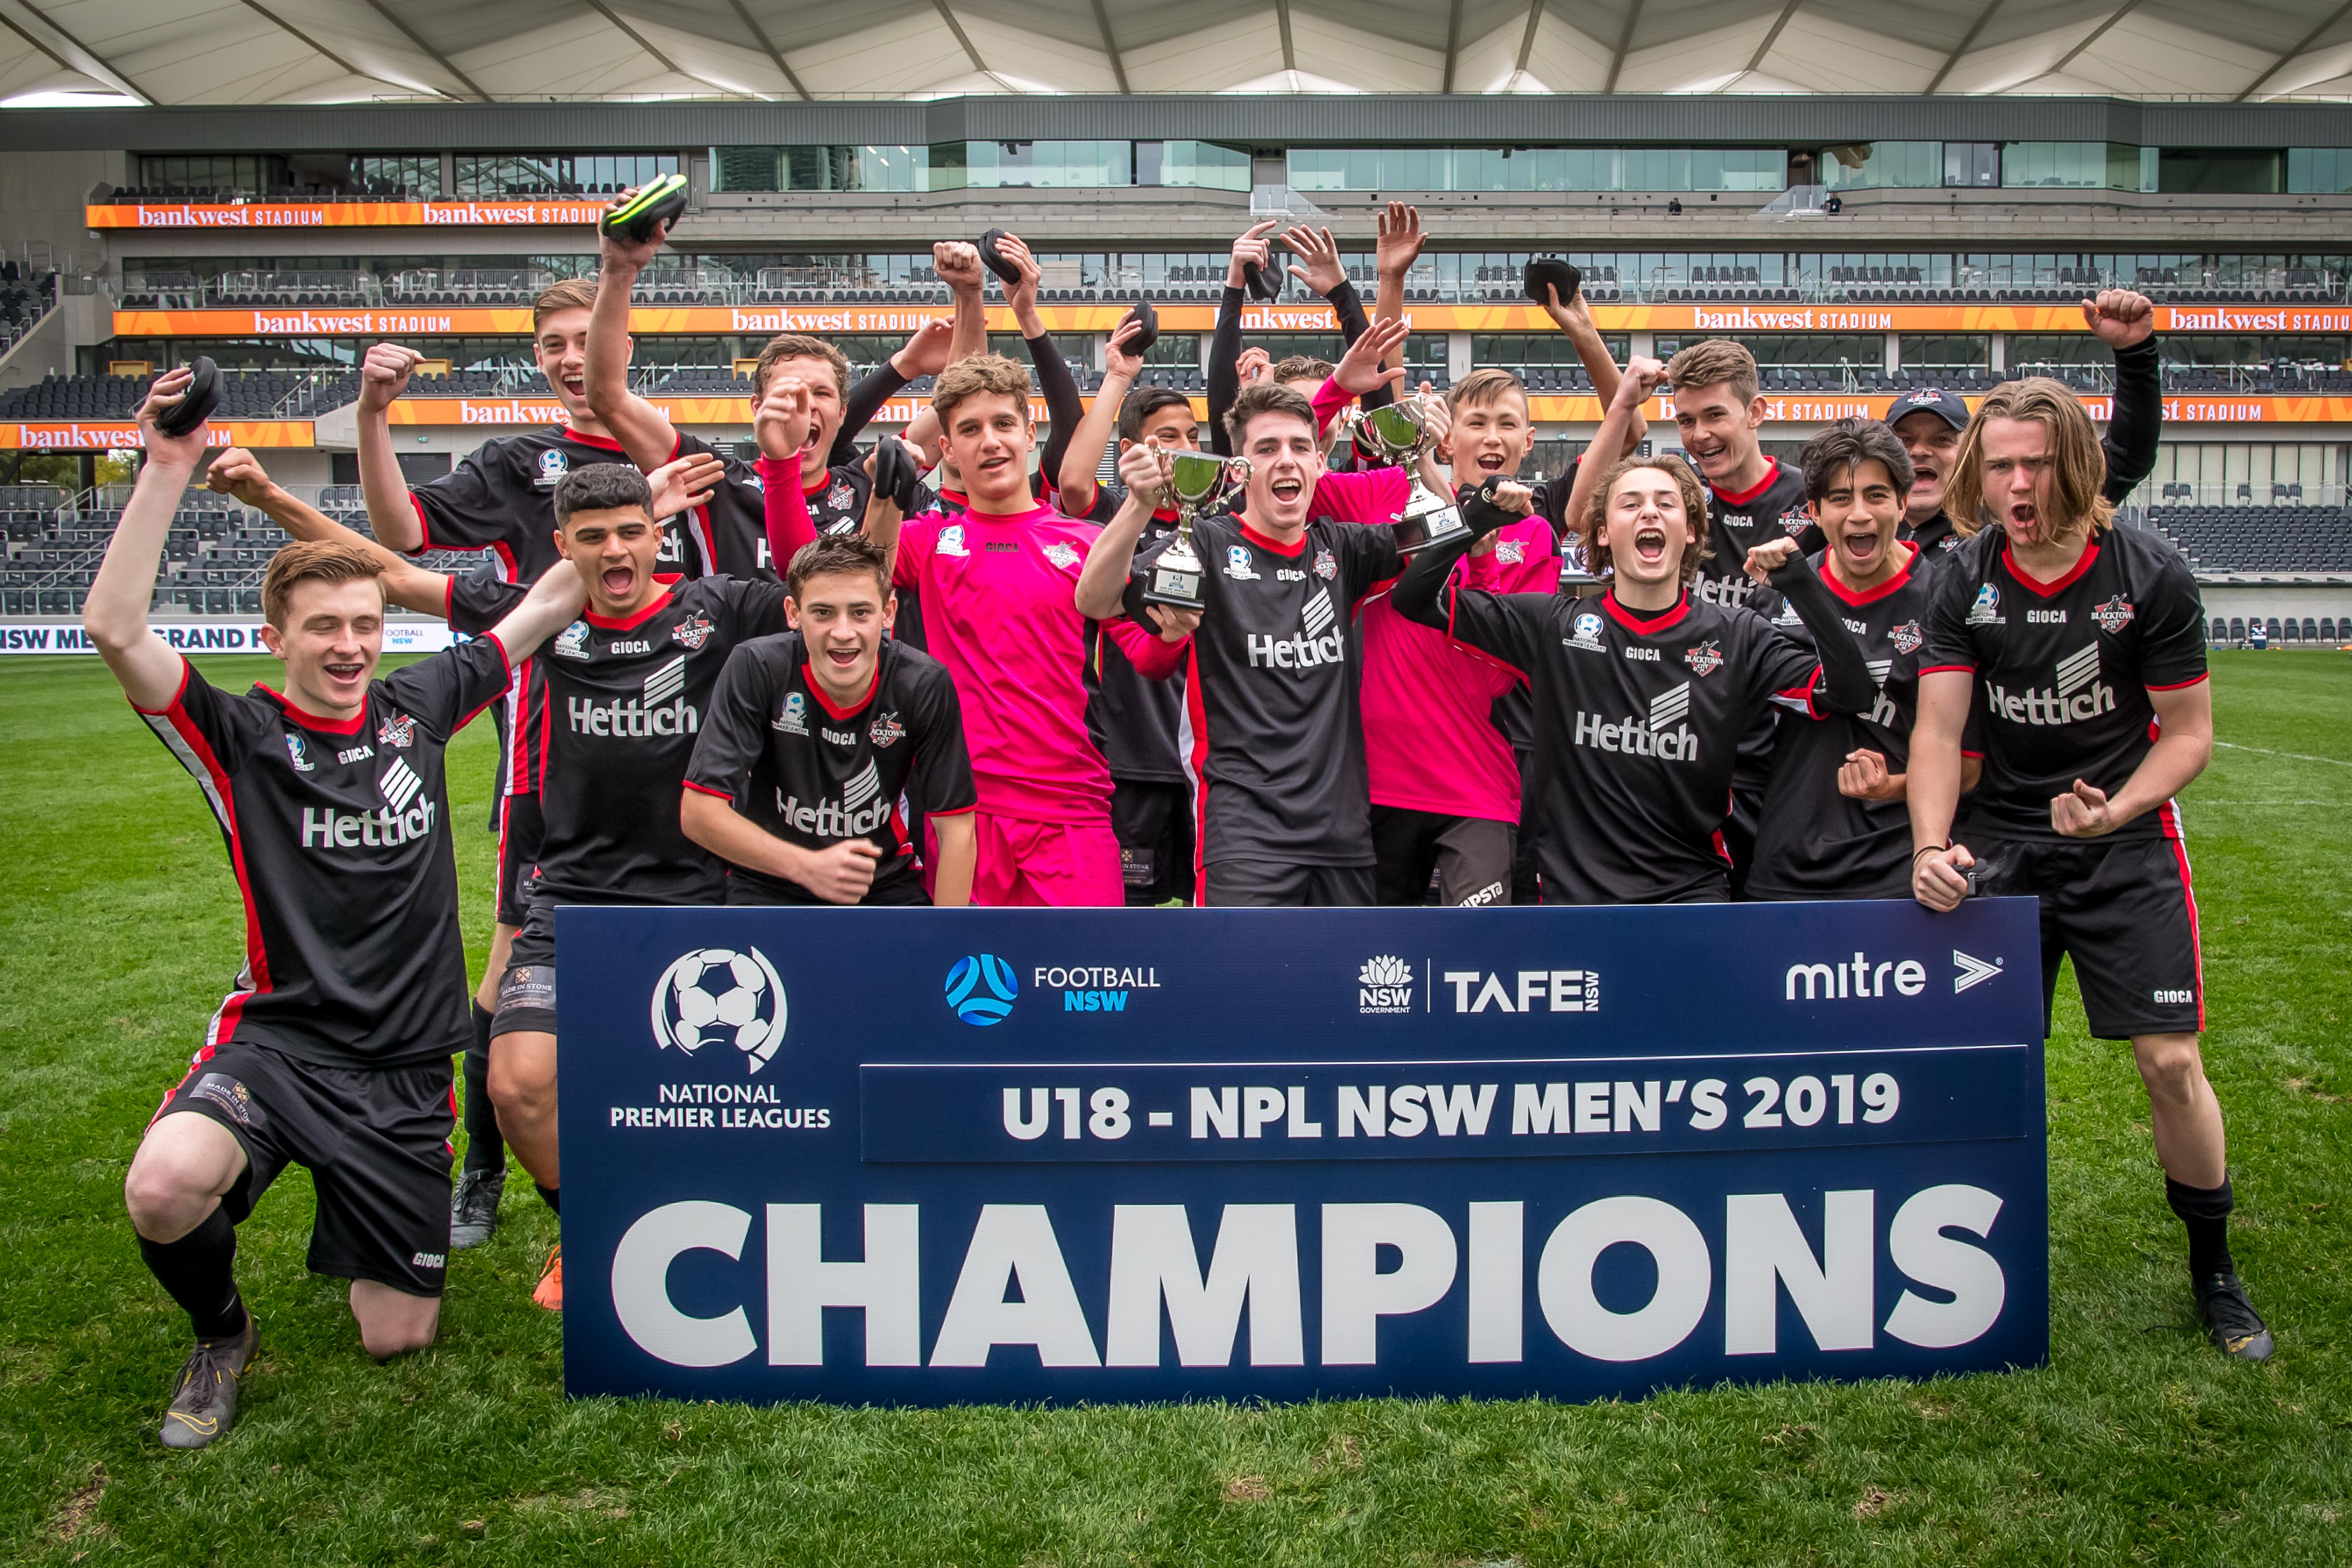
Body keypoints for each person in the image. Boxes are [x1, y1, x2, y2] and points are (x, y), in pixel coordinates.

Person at [88, 372, 582, 1449]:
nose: (351, 644)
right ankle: (221, 1331)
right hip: (284, 1045)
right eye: (324, 628)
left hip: (405, 1072)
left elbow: (543, 608)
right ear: (278, 636)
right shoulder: (239, 740)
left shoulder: (420, 706)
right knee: (166, 1187)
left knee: (395, 1337)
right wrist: (167, 467)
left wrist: (639, 532)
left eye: (364, 623)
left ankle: (352, 1202)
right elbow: (115, 627)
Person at [1908, 376, 2272, 1362]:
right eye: (2001, 465)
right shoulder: (1961, 574)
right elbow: (1939, 730)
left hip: (2123, 839)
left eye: (2035, 464)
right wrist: (1932, 846)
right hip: (2008, 848)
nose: (2017, 486)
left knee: (2169, 1060)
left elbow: (2190, 735)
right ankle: (1951, 1254)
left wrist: (2118, 805)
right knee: (1987, 1064)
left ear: (2075, 467)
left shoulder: (2149, 572)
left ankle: (2216, 1270)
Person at [350, 281, 667, 1250]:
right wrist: (372, 413)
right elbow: (401, 534)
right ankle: (485, 1161)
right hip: (548, 755)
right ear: (538, 359)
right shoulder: (518, 463)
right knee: (507, 967)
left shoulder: (674, 454)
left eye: (587, 341)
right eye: (554, 347)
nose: (573, 359)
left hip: (681, 746)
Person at [1390, 357, 1877, 904]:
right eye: (1631, 503)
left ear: (1692, 531)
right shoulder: (1553, 625)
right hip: (1574, 901)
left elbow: (1854, 692)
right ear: (1602, 530)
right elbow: (1414, 600)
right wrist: (1474, 519)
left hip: (1690, 898)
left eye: (1666, 503)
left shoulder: (1740, 636)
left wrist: (1804, 588)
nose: (1650, 514)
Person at [1075, 353, 1437, 907]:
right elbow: (1094, 598)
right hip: (1246, 835)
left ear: (1321, 462)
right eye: (1266, 449)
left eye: (1298, 448)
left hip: (1343, 836)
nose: (1285, 461)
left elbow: (1448, 537)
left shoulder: (1344, 548)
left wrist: (1428, 453)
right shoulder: (1205, 544)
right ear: (1239, 470)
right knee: (1242, 992)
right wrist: (1139, 507)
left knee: (1341, 994)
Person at [851, 353, 1192, 906]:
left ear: (1030, 433)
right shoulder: (932, 539)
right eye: (970, 429)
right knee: (970, 987)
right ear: (948, 451)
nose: (990, 442)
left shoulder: (1085, 544)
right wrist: (885, 491)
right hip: (963, 812)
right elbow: (869, 578)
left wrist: (1175, 632)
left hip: (1070, 808)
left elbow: (1150, 658)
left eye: (1004, 424)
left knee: (1087, 984)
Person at [587, 198, 964, 578]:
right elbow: (608, 398)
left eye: (821, 393)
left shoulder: (869, 482)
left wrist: (969, 297)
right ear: (757, 407)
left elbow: (959, 400)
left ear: (843, 412)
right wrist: (619, 271)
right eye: (789, 392)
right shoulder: (718, 482)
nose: (804, 406)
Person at [1743, 419, 1982, 901]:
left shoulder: (1945, 601)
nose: (1859, 514)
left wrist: (1889, 786)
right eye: (1839, 498)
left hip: (1897, 870)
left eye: (1876, 495)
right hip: (1785, 867)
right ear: (1814, 509)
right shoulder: (1776, 598)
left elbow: (1970, 767)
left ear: (1901, 501)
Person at [682, 532, 979, 906]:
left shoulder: (922, 682)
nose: (843, 632)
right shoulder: (756, 667)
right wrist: (806, 866)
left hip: (882, 885)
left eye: (860, 612)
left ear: (888, 613)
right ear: (793, 613)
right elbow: (698, 813)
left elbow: (956, 829)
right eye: (823, 612)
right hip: (770, 884)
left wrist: (944, 945)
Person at [1357, 366, 1561, 906]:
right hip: (1381, 778)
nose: (1492, 436)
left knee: (1481, 955)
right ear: (1448, 436)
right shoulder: (1394, 498)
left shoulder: (1534, 532)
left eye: (1507, 423)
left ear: (1527, 441)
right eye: (1477, 422)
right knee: (1377, 963)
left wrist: (1482, 557)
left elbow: (1499, 673)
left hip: (1476, 783)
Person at [1663, 337, 1826, 892]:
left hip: (1789, 757)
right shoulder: (1676, 505)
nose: (1699, 436)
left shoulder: (1815, 502)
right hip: (1691, 749)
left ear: (1756, 412)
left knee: (1774, 921)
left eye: (1715, 415)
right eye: (1686, 420)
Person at [1051, 361, 1208, 902]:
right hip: (1134, 756)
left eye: (1193, 436)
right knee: (1134, 911)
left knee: (1211, 906)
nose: (1185, 446)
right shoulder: (1116, 516)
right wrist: (1117, 378)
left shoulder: (1215, 523)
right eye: (1168, 437)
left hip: (1204, 762)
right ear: (1133, 451)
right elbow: (1072, 482)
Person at [1898, 289, 2162, 556]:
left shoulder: (2008, 512)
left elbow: (2127, 455)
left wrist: (2135, 355)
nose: (1919, 451)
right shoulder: (1860, 527)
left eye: (1942, 440)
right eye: (1904, 440)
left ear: (1970, 455)